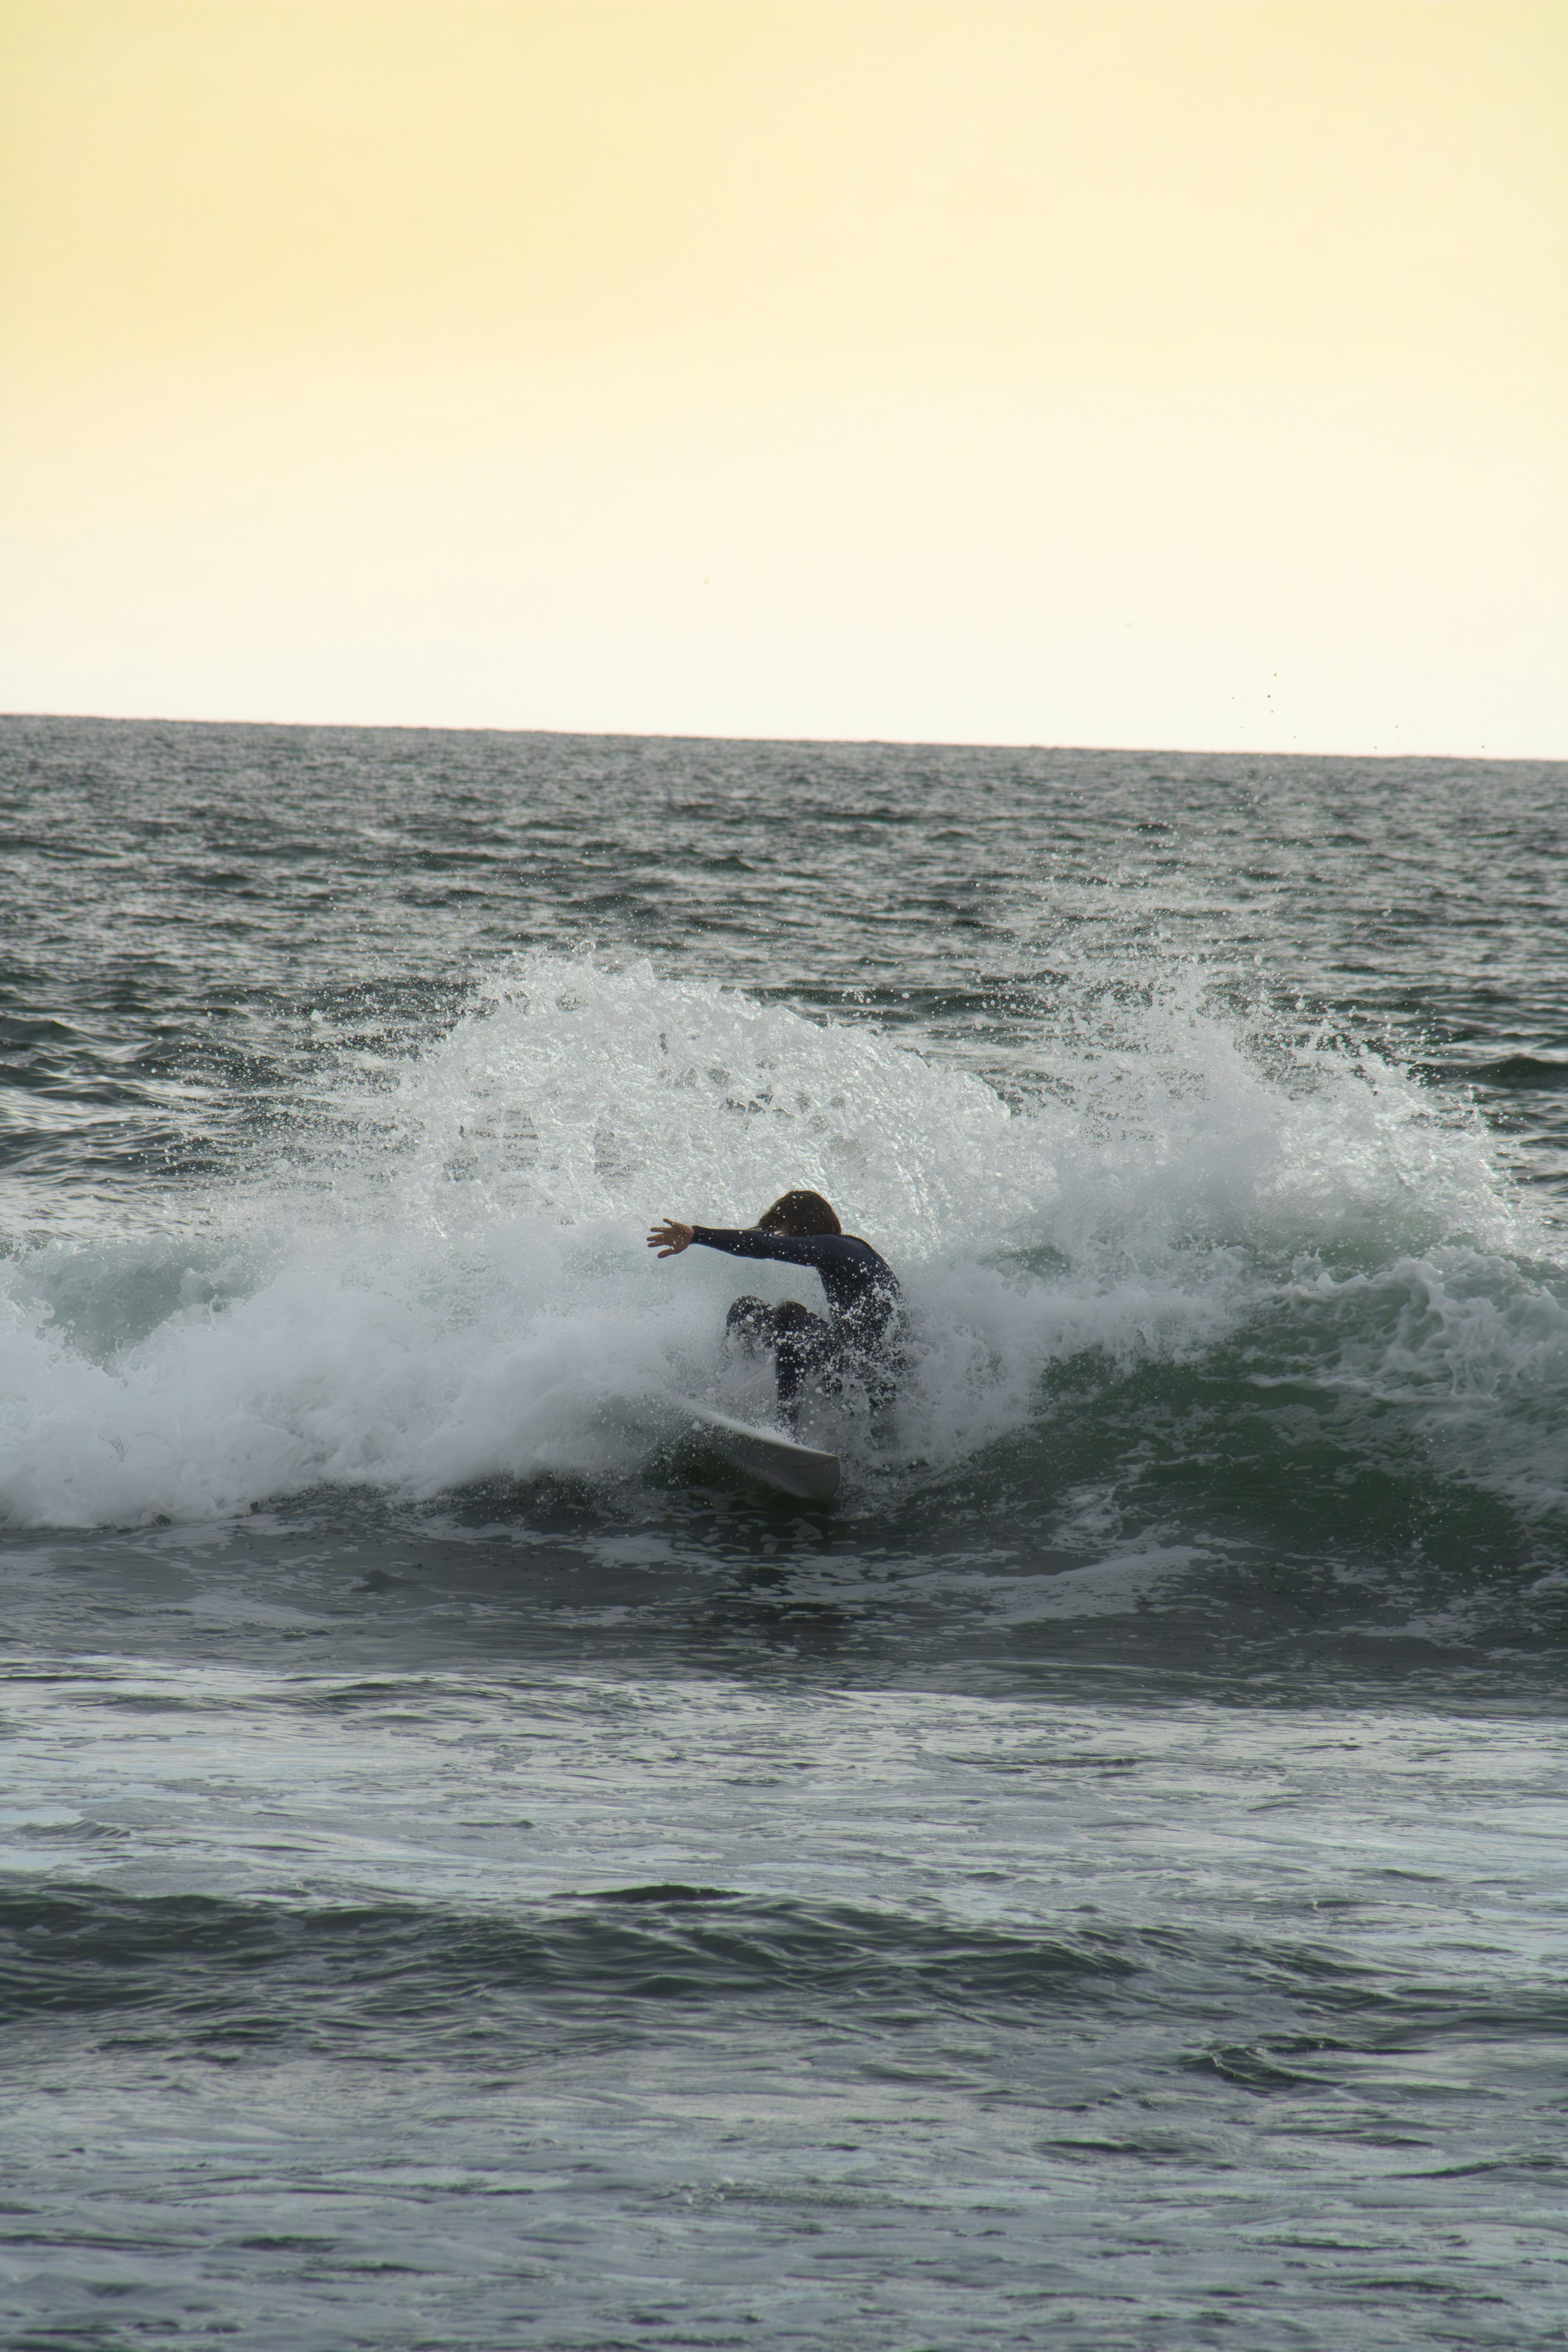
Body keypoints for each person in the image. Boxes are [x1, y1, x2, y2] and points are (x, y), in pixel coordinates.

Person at [647, 1189, 902, 1426]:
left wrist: (698, 1235)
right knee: (746, 1310)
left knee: (791, 1314)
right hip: (846, 1361)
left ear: (799, 1226)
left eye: (784, 1231)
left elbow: (765, 1246)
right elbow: (763, 1239)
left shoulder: (836, 1247)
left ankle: (785, 1429)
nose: (783, 1239)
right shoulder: (838, 1251)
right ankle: (720, 1395)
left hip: (868, 1375)